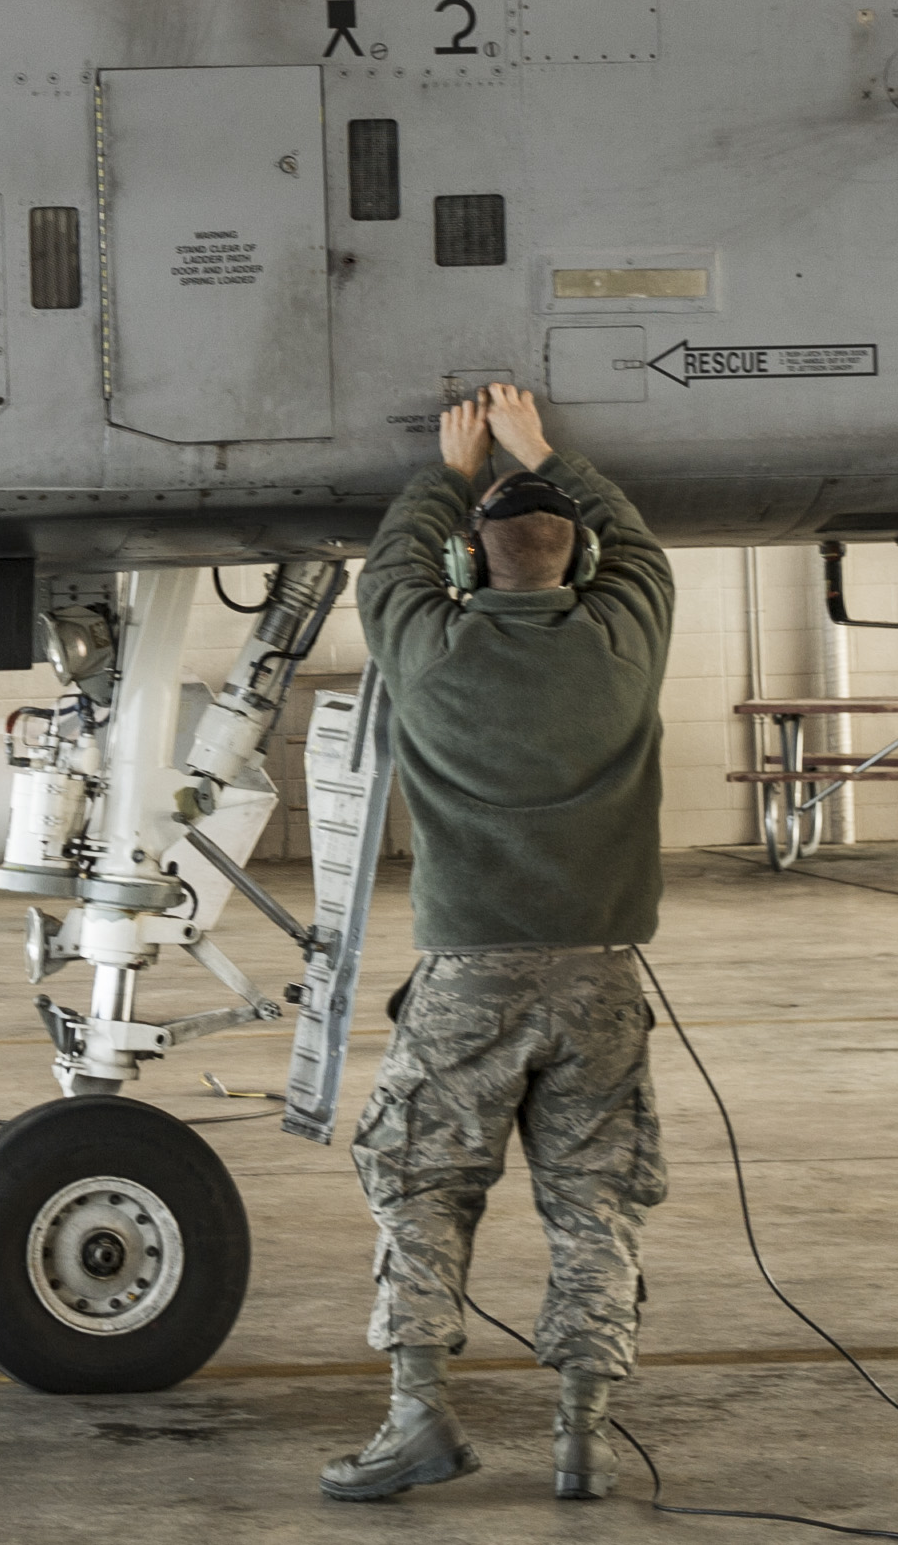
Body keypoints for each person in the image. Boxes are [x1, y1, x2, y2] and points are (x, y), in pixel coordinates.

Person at [322, 380, 678, 1504]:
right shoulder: (624, 640)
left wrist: (451, 468)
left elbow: (389, 564)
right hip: (601, 979)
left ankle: (418, 1418)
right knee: (594, 1202)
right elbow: (638, 550)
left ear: (466, 566)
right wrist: (541, 455)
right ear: (579, 563)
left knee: (421, 1182)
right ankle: (584, 1437)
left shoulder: (429, 648)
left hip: (469, 978)